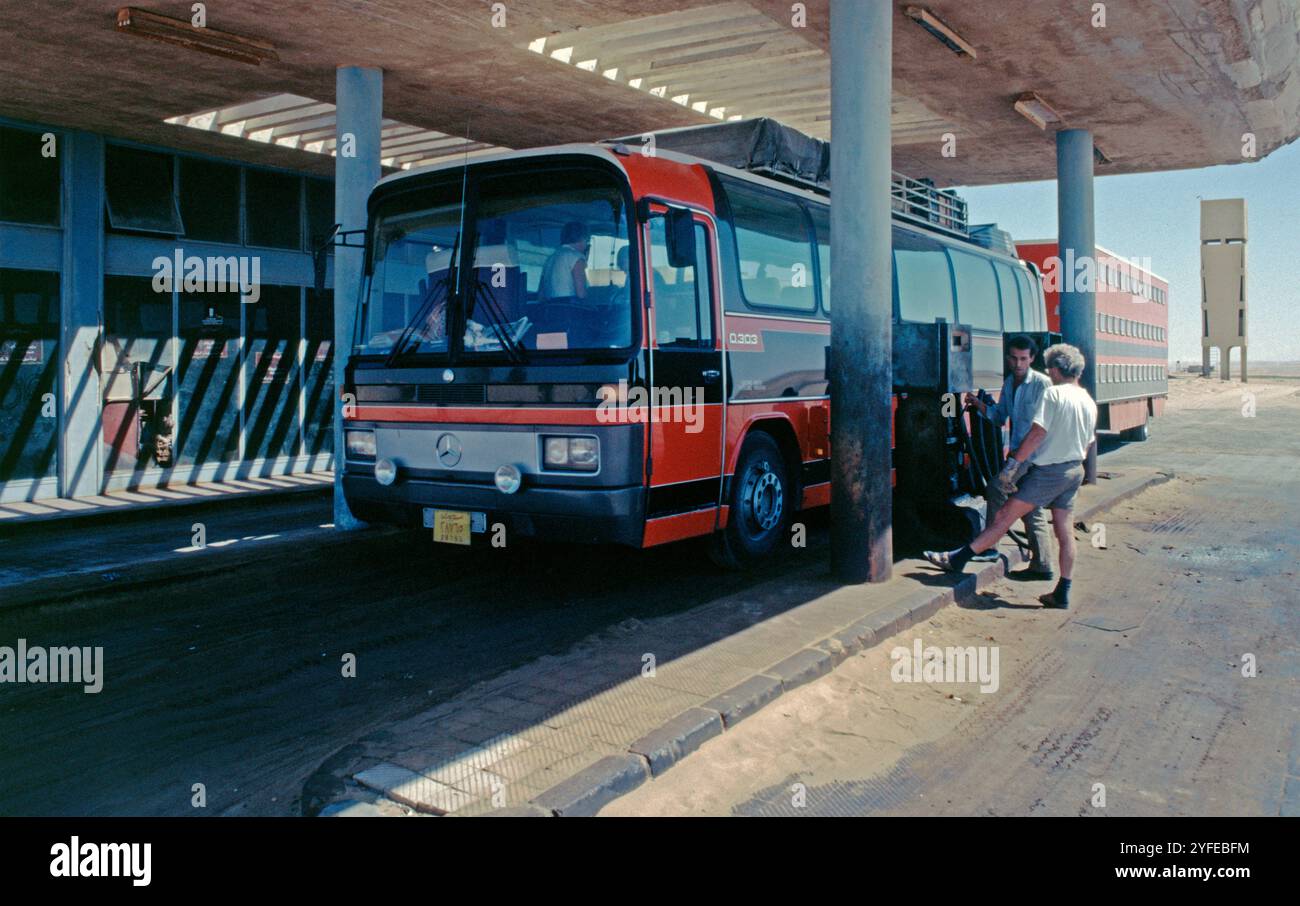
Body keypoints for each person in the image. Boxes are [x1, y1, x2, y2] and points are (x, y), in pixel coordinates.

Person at [924, 343, 1098, 610]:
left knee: (1005, 514)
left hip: (1048, 470)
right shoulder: (1086, 399)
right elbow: (1088, 443)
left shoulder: (1052, 393)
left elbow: (1037, 433)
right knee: (1064, 531)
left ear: (1053, 368)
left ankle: (957, 559)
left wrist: (1013, 465)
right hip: (1074, 469)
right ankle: (1062, 590)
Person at [967, 335, 1053, 579]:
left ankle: (988, 547)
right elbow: (999, 416)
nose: (1018, 364)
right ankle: (1043, 565)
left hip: (1033, 456)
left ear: (1032, 359)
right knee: (1030, 507)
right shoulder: (1009, 383)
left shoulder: (1042, 385)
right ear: (1008, 358)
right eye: (1014, 358)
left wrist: (1019, 458)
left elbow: (1043, 426)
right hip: (1019, 456)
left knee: (996, 489)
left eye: (1023, 359)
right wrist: (978, 404)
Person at [539, 221, 591, 302]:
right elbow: (581, 294)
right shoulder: (576, 257)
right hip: (569, 309)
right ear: (582, 238)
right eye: (587, 240)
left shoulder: (550, 258)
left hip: (550, 308)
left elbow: (541, 294)